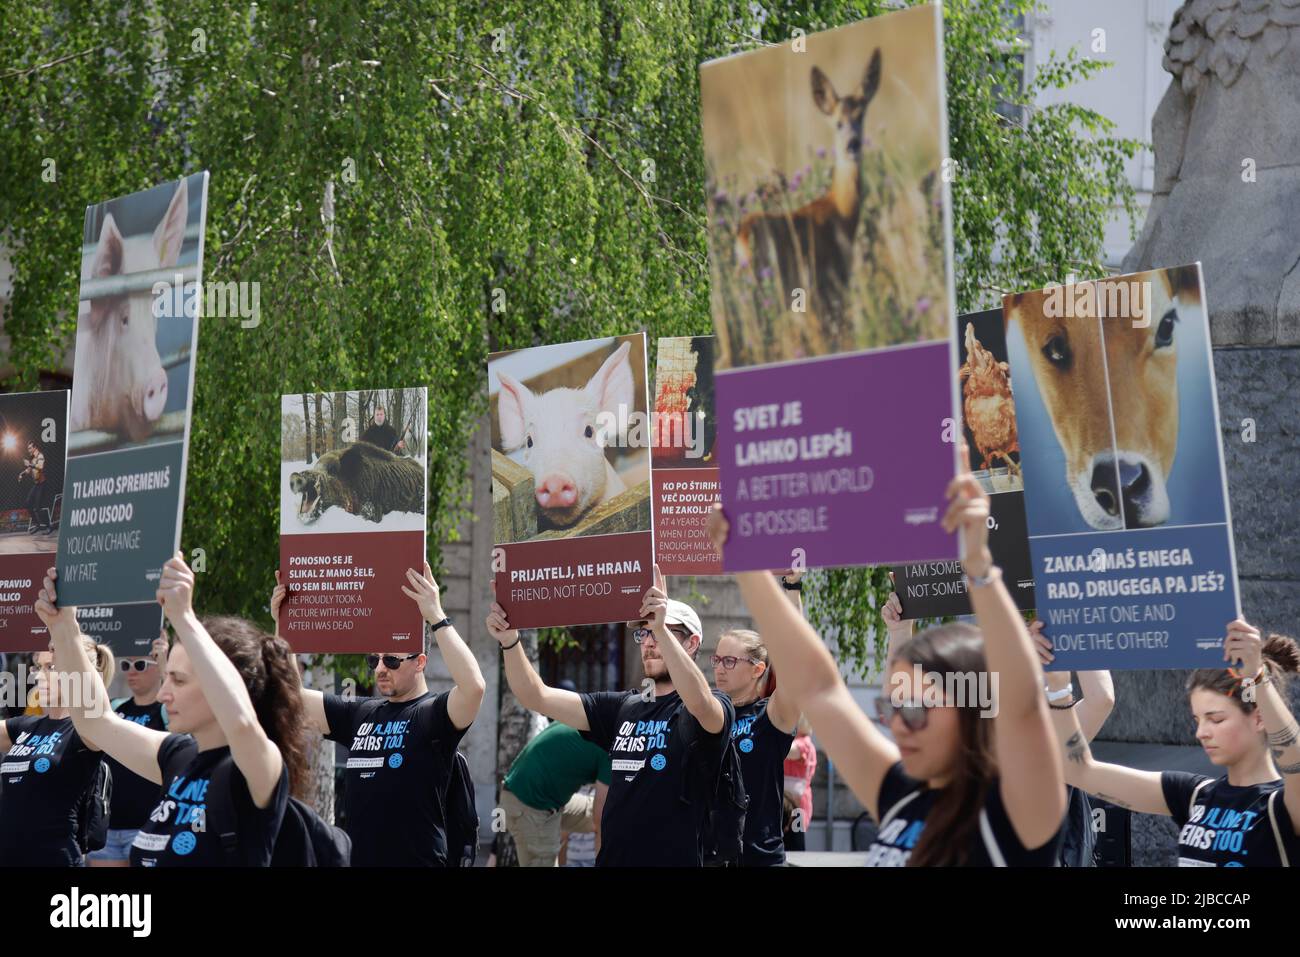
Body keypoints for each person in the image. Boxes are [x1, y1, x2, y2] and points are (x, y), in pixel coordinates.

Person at [707, 455, 1067, 866]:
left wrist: (979, 568)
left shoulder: (1017, 811)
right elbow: (819, 687)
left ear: (972, 705)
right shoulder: (900, 792)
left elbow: (1024, 706)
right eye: (892, 707)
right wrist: (747, 564)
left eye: (914, 709)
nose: (896, 724)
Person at [36, 555, 307, 867]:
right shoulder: (177, 757)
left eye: (178, 680)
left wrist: (184, 617)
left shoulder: (257, 769)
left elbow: (242, 723)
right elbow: (94, 721)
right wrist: (64, 627)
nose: (164, 693)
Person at [487, 565, 734, 867]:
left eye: (663, 630)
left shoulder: (710, 706)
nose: (648, 641)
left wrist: (660, 629)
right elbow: (536, 695)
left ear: (692, 643)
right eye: (644, 632)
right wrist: (510, 641)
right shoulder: (623, 706)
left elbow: (701, 703)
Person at [273, 562, 485, 867]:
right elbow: (290, 698)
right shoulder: (361, 713)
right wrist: (284, 629)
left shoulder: (432, 716)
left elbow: (474, 688)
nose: (380, 668)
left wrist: (436, 616)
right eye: (375, 659)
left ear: (420, 662)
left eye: (392, 660)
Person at [1048, 619, 1300, 866]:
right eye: (1197, 719)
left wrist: (1257, 678)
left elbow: (1295, 759)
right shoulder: (1195, 795)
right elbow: (1077, 770)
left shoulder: (1282, 806)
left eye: (1216, 719)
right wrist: (1059, 688)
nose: (1202, 732)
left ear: (1259, 719)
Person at [709, 572, 804, 866]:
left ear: (757, 669)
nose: (719, 669)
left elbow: (797, 660)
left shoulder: (769, 716)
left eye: (730, 661)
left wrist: (791, 588)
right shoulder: (709, 713)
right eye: (716, 660)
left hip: (759, 857)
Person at [0, 636, 113, 866]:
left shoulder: (86, 729)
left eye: (51, 667)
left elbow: (99, 709)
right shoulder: (25, 726)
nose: (40, 676)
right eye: (38, 667)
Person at [85, 635, 171, 867]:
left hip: (149, 826)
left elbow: (181, 739)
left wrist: (166, 666)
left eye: (140, 665)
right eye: (126, 665)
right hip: (109, 826)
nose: (131, 671)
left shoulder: (168, 710)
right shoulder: (115, 708)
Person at [500, 716, 611, 867]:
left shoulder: (592, 718)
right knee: (605, 818)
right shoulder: (611, 746)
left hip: (534, 795)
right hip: (530, 805)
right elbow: (601, 820)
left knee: (613, 814)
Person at [782, 715, 816, 852]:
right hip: (787, 802)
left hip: (797, 805)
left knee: (795, 845)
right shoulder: (799, 741)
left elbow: (790, 751)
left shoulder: (804, 743)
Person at [21, 441, 50, 534]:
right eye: (28, 448)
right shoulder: (33, 458)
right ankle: (37, 524)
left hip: (42, 484)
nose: (28, 450)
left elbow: (40, 467)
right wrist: (22, 474)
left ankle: (49, 526)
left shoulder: (40, 456)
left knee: (38, 508)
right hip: (36, 485)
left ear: (34, 447)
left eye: (30, 448)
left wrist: (29, 464)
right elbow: (29, 470)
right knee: (28, 503)